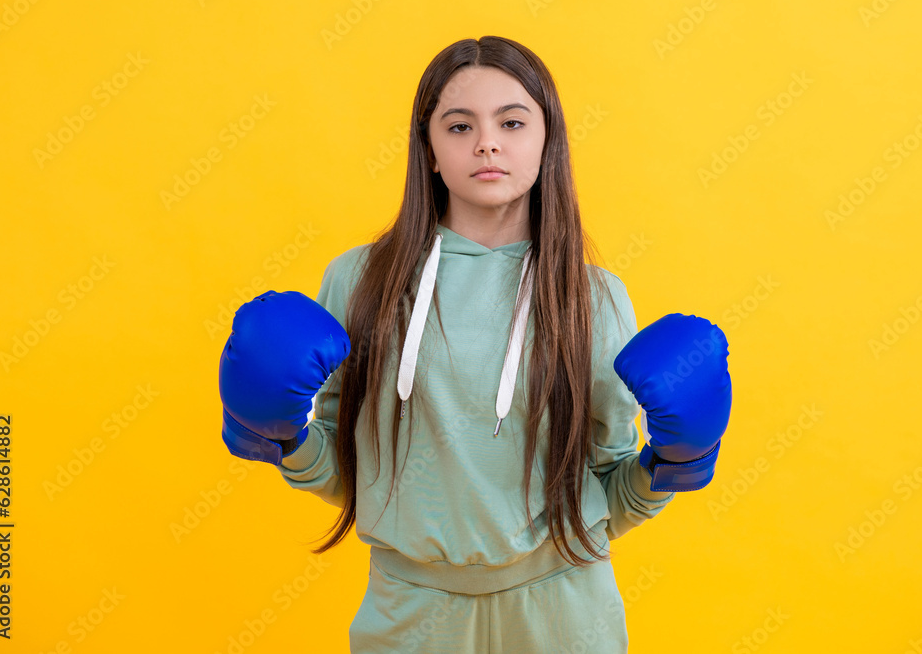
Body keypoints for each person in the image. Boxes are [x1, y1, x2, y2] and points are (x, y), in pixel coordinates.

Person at [218, 36, 732, 653]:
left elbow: (608, 495)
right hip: (410, 608)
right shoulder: (360, 281)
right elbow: (348, 474)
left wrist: (675, 463)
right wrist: (286, 440)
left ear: (547, 141)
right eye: (459, 125)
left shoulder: (591, 295)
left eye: (512, 122)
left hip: (563, 608)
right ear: (429, 150)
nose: (487, 142)